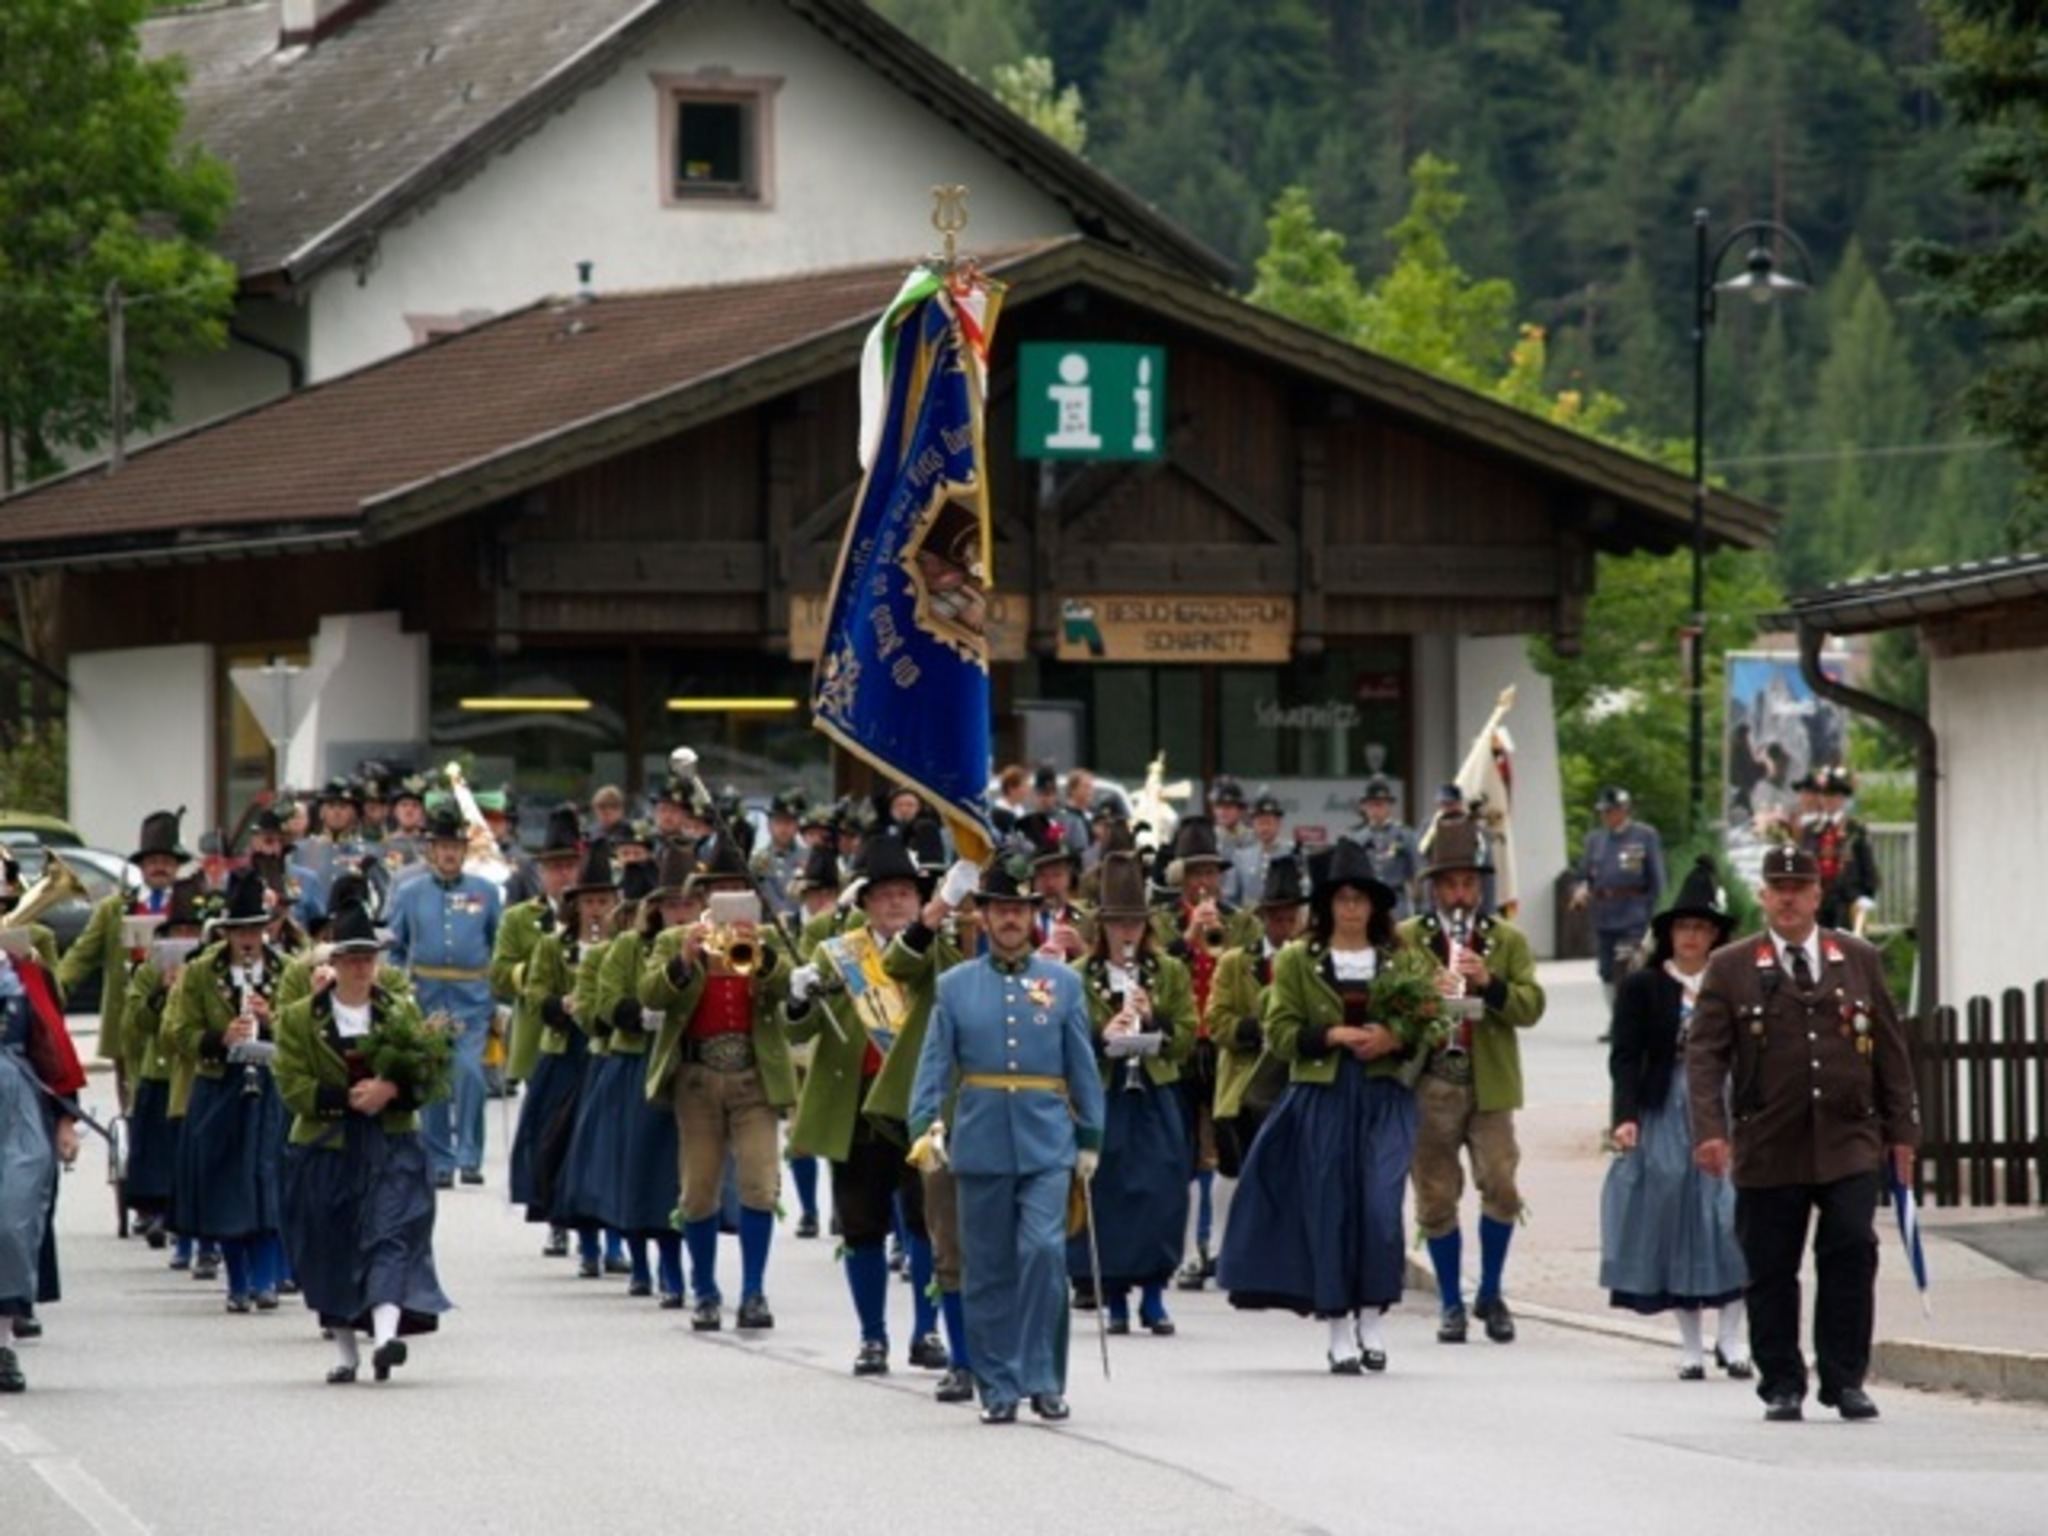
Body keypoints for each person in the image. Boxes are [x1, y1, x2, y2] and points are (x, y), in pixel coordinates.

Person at [1687, 843, 1918, 1423]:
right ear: (1764, 897)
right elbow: (1706, 1057)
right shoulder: (1732, 966)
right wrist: (1710, 1130)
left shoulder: (1857, 957)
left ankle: (1844, 1379)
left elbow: (1890, 1051)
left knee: (1850, 1248)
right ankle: (1782, 1380)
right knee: (1771, 1265)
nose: (1789, 899)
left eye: (1800, 888)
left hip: (1849, 1138)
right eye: (1778, 889)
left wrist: (1903, 1133)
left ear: (1818, 895)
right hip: (1769, 1141)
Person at [1219, 841, 1436, 1373]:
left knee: (1379, 1206)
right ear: (1327, 906)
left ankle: (1372, 1315)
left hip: (1382, 1095)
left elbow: (1431, 1021)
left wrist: (1395, 1037)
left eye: (1361, 899)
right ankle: (1337, 1323)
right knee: (1331, 1206)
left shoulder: (1400, 957)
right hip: (1324, 1095)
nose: (1352, 909)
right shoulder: (1297, 959)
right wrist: (1331, 1034)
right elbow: (1280, 1032)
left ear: (1375, 905)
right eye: (1342, 899)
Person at [908, 855, 1105, 1425]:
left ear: (1033, 915)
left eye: (1021, 909)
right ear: (984, 917)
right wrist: (925, 1126)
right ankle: (997, 1382)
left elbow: (1082, 1067)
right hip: (980, 1139)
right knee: (987, 1266)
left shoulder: (1063, 984)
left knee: (1043, 1253)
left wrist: (1090, 1136)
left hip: (1048, 1141)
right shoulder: (954, 986)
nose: (1012, 919)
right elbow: (934, 1065)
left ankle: (1042, 1377)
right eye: (1002, 909)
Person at [783, 835, 951, 1375]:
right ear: (867, 903)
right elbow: (800, 1029)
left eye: (906, 892)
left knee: (928, 1222)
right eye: (885, 895)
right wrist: (798, 996)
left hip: (919, 1105)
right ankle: (873, 1336)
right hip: (855, 1105)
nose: (897, 902)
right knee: (861, 1225)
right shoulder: (838, 954)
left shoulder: (936, 949)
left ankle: (927, 1332)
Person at [275, 900, 453, 1384]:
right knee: (331, 1245)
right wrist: (346, 1098)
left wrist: (391, 1090)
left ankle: (386, 1337)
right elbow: (290, 1085)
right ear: (332, 964)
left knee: (391, 1233)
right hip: (326, 1146)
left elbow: (429, 1072)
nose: (359, 968)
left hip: (391, 1142)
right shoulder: (298, 1018)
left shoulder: (401, 1011)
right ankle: (345, 1352)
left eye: (367, 959)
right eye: (350, 959)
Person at [1599, 856, 1751, 1380]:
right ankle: (1690, 1344)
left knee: (1732, 1215)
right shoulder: (1644, 987)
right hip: (1666, 1105)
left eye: (1701, 927)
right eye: (1683, 927)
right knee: (1675, 1212)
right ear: (1670, 934)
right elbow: (1625, 1055)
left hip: (1726, 1104)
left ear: (1715, 934)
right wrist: (1625, 1115)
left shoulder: (1735, 982)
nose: (1691, 937)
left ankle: (1732, 1337)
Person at [1399, 815, 1546, 1345]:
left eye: (1469, 884)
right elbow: (1387, 1006)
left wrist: (1491, 983)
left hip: (1489, 1082)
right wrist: (1423, 995)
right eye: (1451, 883)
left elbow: (1532, 1007)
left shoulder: (1504, 939)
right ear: (1434, 886)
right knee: (1436, 1196)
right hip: (1431, 1080)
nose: (1461, 894)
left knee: (1502, 1184)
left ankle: (1490, 1290)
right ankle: (1449, 1303)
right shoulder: (1409, 938)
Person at [641, 840, 794, 1332]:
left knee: (759, 1184)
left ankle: (754, 1291)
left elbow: (791, 985)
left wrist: (765, 956)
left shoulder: (768, 935)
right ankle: (704, 1290)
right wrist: (684, 960)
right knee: (698, 1190)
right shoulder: (677, 939)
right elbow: (649, 993)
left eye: (735, 888)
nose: (726, 894)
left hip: (752, 1074)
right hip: (698, 1077)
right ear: (704, 895)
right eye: (718, 889)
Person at [1069, 852, 1196, 1336]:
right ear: (1102, 927)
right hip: (1105, 1092)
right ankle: (1116, 1298)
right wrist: (1106, 1032)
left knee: (1162, 1188)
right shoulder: (1079, 974)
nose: (1128, 934)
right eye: (1119, 923)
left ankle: (1156, 1295)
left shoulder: (1168, 972)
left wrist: (1153, 1017)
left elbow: (1186, 1036)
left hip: (1155, 1093)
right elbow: (1068, 1038)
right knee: (1108, 1191)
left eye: (1135, 924)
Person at [165, 868, 292, 1312]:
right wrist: (221, 1039)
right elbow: (177, 1031)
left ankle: (266, 1280)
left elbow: (308, 1032)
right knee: (227, 1185)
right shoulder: (201, 971)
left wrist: (273, 1020)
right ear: (227, 932)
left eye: (256, 929)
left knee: (270, 1179)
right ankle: (237, 1282)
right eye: (240, 930)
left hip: (272, 1086)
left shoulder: (286, 970)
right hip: (220, 1087)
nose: (248, 938)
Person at [384, 807, 503, 1188]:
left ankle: (469, 1154)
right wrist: (400, 988)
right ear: (431, 850)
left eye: (456, 846)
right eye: (442, 846)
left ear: (465, 851)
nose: (450, 853)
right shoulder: (409, 892)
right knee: (433, 1077)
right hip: (427, 997)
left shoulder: (485, 893)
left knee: (469, 1074)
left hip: (471, 997)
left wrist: (499, 997)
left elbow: (498, 944)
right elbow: (395, 946)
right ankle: (438, 1159)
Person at [60, 808, 189, 1107]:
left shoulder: (192, 906)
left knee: (176, 1105)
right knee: (133, 1104)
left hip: (179, 1020)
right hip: (127, 1021)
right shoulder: (114, 908)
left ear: (176, 867)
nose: (160, 867)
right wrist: (52, 988)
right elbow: (81, 956)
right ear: (141, 866)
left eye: (167, 861)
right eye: (153, 861)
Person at [0, 944, 83, 1393]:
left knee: (14, 1221)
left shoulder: (26, 973)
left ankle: (2, 1342)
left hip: (19, 1104)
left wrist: (66, 1120)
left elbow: (53, 1045)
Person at [1208, 853, 1307, 1185]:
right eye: (1278, 920)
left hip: (1297, 1082)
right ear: (1264, 919)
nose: (1285, 928)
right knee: (1251, 1182)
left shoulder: (1312, 962)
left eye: (1291, 919)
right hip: (1249, 1085)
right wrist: (1259, 1031)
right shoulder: (1235, 962)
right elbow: (1217, 1022)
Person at [1570, 786, 1667, 1009]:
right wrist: (1580, 890)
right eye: (1603, 812)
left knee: (1629, 966)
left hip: (1634, 914)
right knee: (1606, 969)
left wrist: (1653, 913)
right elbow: (1582, 875)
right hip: (1604, 914)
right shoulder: (1595, 840)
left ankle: (1630, 1018)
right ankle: (1615, 1019)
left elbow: (1657, 879)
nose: (1606, 816)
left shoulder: (1644, 836)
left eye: (1611, 811)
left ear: (1624, 810)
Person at [1805, 767, 1880, 933]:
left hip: (1846, 900)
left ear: (1841, 799)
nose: (1828, 800)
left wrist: (1866, 895)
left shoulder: (1854, 829)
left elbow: (1867, 866)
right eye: (1825, 795)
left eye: (1833, 795)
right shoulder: (1811, 830)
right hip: (1817, 900)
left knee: (1844, 945)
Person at [1342, 777, 1420, 919]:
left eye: (1381, 804)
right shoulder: (1357, 839)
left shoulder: (1404, 835)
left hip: (1396, 901)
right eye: (1372, 805)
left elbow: (1415, 872)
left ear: (1389, 806)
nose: (1376, 809)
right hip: (1367, 901)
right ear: (1364, 807)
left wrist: (1418, 904)